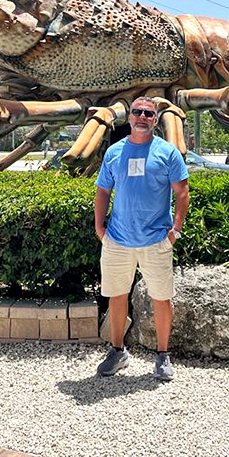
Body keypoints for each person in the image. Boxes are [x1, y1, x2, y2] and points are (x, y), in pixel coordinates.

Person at [94, 96, 189, 381]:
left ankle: (162, 355)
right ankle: (117, 350)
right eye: (137, 111)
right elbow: (102, 191)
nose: (142, 116)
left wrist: (175, 231)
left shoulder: (167, 152)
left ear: (156, 119)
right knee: (116, 295)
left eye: (149, 113)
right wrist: (100, 229)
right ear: (130, 116)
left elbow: (182, 192)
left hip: (156, 241)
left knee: (162, 298)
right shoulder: (114, 152)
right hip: (118, 241)